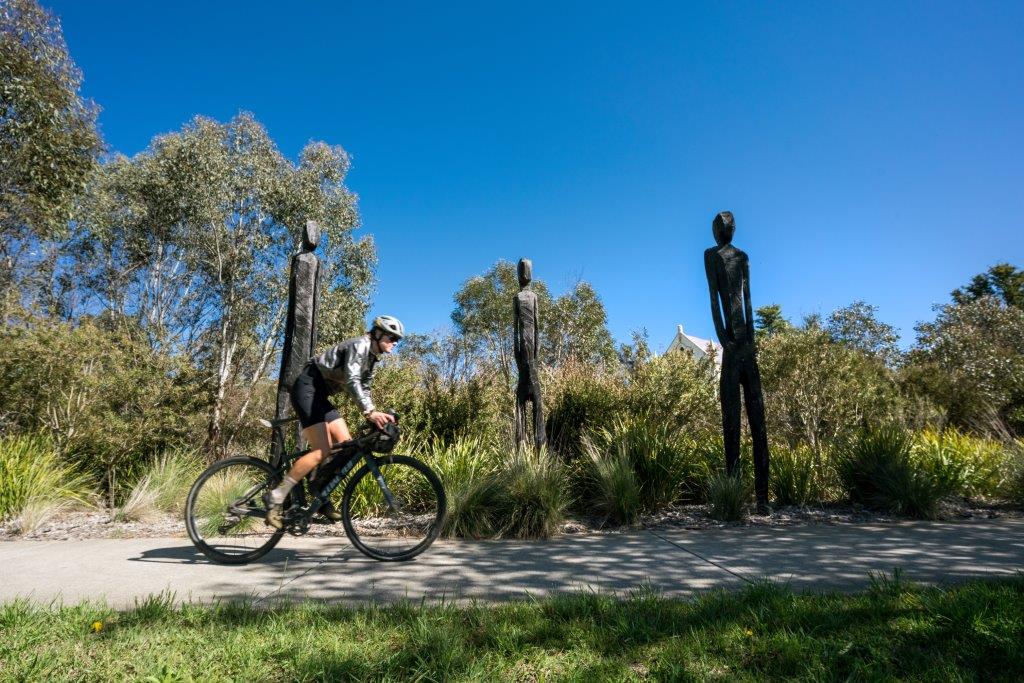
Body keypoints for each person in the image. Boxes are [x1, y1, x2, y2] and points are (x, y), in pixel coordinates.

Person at [263, 315, 404, 529]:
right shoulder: (360, 345)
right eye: (391, 337)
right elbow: (352, 380)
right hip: (307, 389)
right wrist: (369, 412)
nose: (394, 342)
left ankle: (319, 492)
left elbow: (364, 388)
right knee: (321, 450)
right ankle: (276, 495)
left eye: (397, 340)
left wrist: (376, 414)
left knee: (346, 446)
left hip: (320, 396)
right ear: (377, 334)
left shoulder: (372, 358)